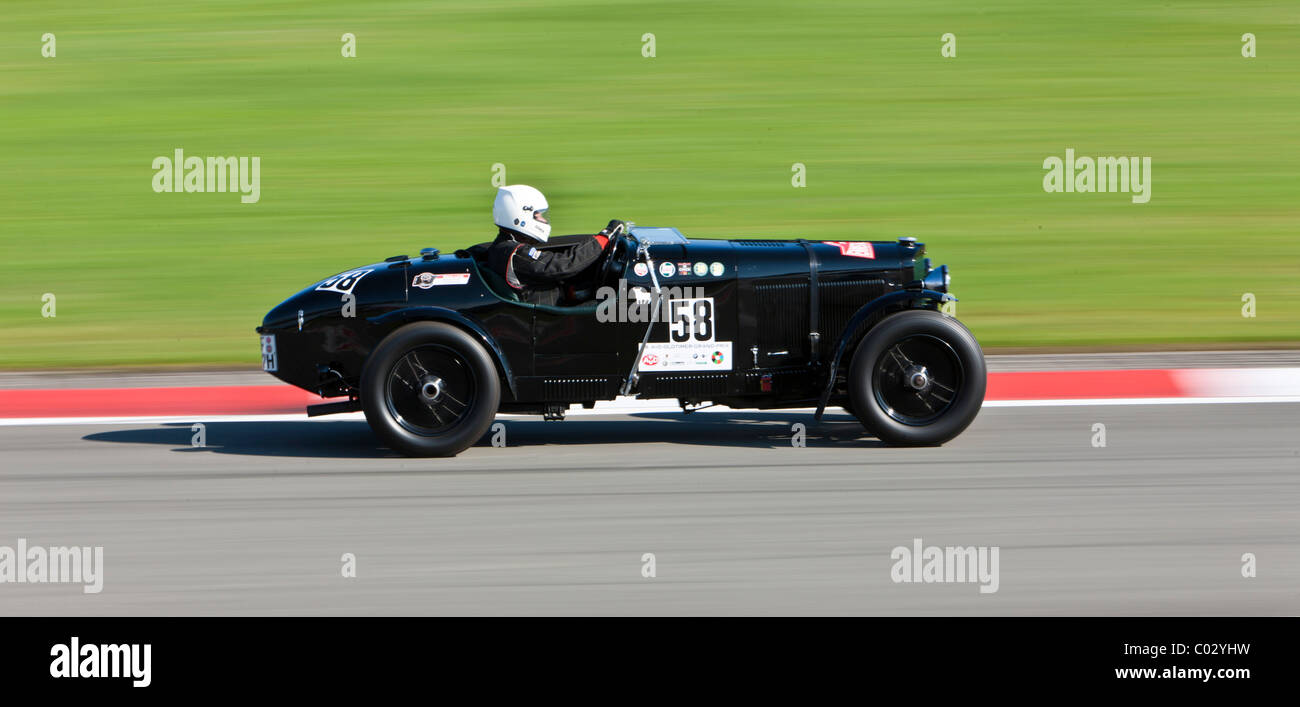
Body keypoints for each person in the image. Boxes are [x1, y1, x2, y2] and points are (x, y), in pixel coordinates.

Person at [476, 184, 624, 306]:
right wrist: (603, 238)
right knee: (609, 308)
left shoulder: (501, 247)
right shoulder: (516, 254)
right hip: (543, 324)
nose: (543, 220)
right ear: (519, 217)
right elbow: (564, 265)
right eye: (538, 215)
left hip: (546, 313)